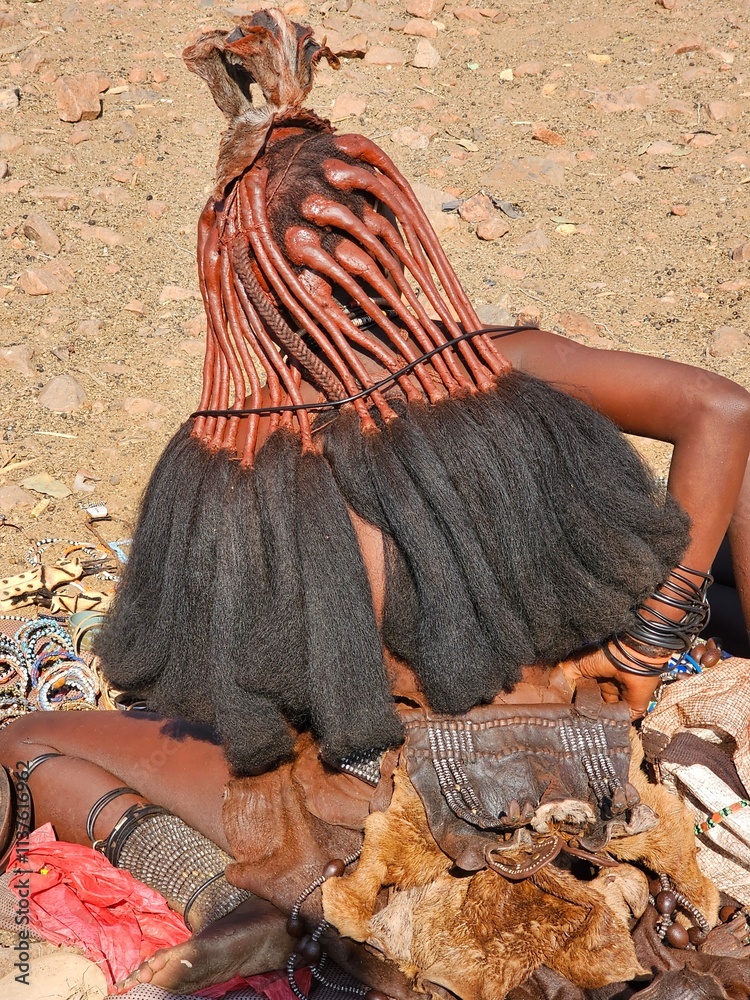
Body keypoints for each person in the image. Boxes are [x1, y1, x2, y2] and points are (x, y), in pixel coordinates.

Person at [1, 8, 750, 997]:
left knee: (28, 738)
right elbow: (725, 407)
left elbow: (258, 705)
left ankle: (231, 904)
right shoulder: (503, 365)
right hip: (598, 735)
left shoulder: (254, 462)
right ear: (393, 241)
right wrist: (644, 654)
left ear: (244, 289)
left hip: (413, 809)